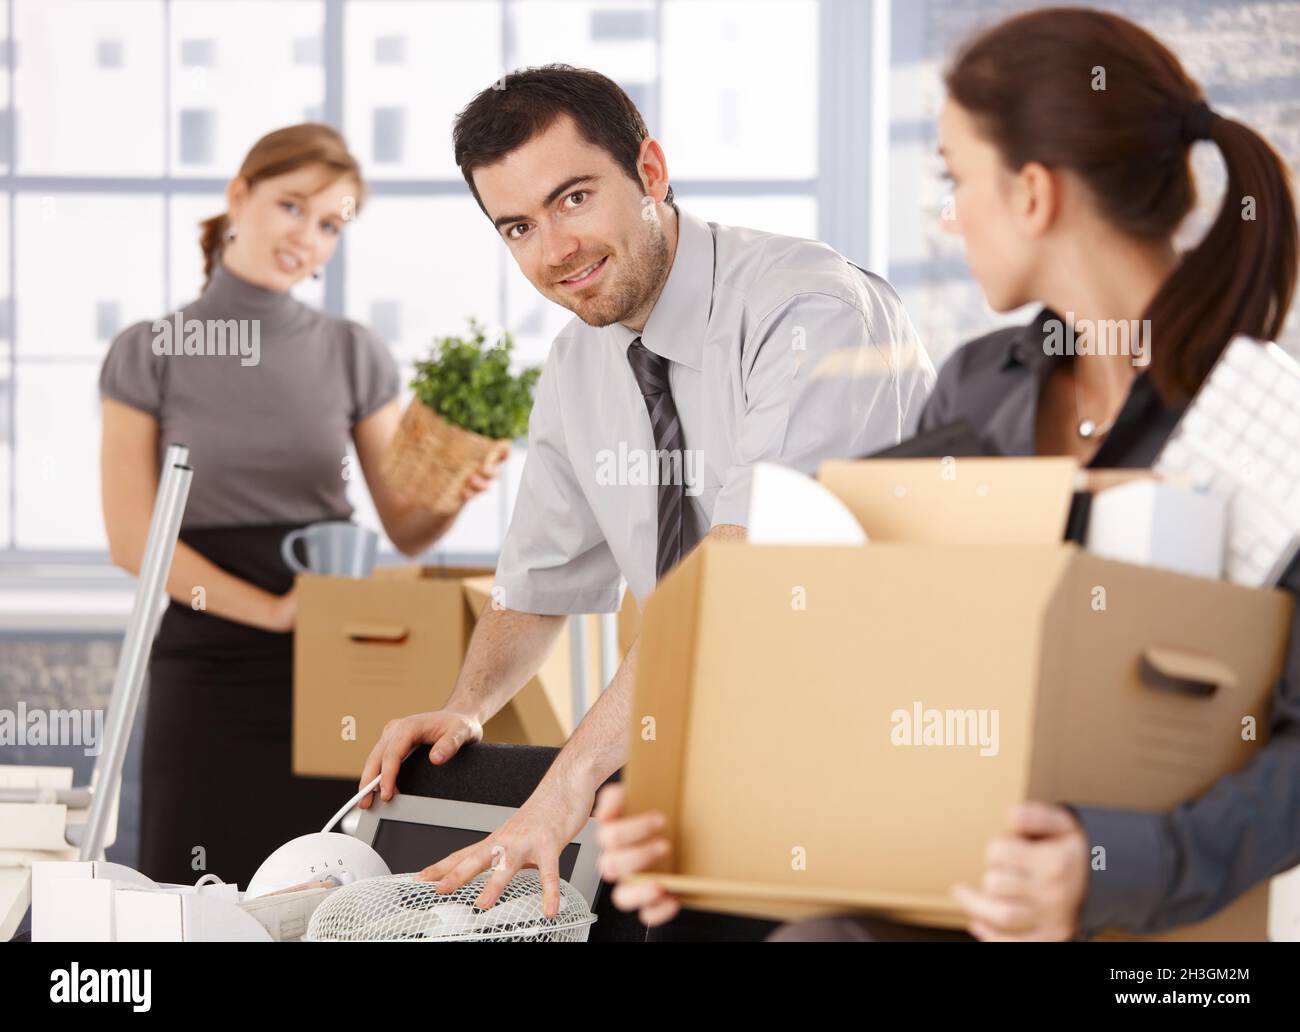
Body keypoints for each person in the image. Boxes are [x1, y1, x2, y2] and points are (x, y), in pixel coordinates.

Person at [594, 6, 1300, 942]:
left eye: (954, 178)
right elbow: (872, 659)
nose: (947, 213)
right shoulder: (980, 386)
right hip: (942, 883)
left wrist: (1105, 868)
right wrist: (698, 804)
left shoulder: (1267, 427)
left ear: (1035, 194)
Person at [358, 65, 935, 918]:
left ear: (651, 172)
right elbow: (538, 583)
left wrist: (572, 783)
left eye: (575, 199)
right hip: (708, 754)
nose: (555, 250)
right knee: (438, 796)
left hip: (870, 750)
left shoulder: (810, 309)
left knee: (582, 828)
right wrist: (467, 706)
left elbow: (738, 584)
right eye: (518, 226)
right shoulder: (578, 360)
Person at [99, 123, 503, 888]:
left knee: (337, 891)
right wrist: (278, 613)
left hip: (341, 665)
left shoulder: (353, 351)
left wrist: (457, 490)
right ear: (238, 197)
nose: (308, 238)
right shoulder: (148, 351)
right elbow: (132, 542)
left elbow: (408, 531)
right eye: (292, 207)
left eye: (330, 225)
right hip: (210, 662)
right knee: (197, 894)